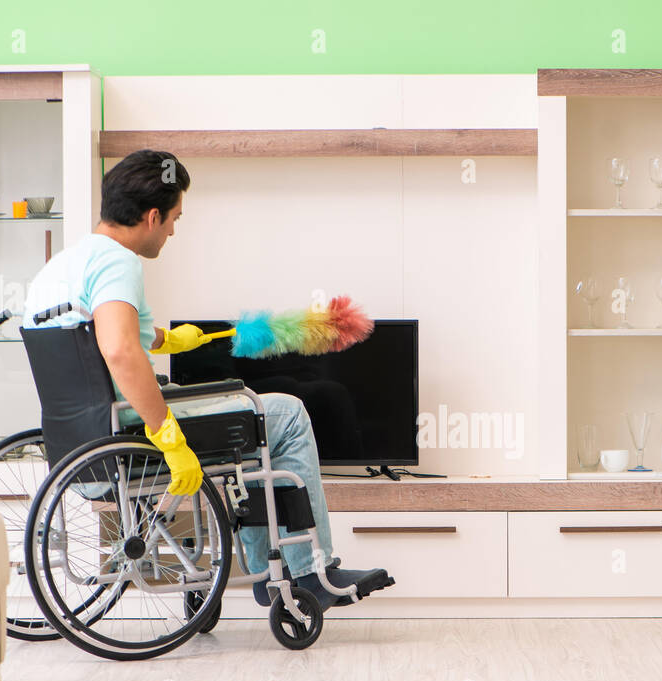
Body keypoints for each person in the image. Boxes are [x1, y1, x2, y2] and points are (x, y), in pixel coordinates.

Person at [21, 148, 392, 609]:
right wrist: (170, 438)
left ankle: (272, 572)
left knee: (258, 416)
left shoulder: (59, 267)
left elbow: (96, 339)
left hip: (82, 439)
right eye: (175, 218)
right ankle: (308, 571)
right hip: (134, 428)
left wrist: (167, 340)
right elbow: (117, 349)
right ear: (152, 216)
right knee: (285, 412)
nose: (174, 230)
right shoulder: (119, 262)